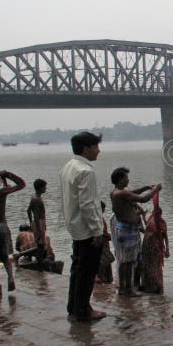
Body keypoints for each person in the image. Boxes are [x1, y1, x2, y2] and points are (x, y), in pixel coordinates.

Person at [60, 131, 106, 321]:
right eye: (95, 147)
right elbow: (88, 204)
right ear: (86, 148)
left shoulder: (69, 166)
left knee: (77, 269)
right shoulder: (85, 171)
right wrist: (97, 230)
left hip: (75, 227)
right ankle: (84, 310)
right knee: (87, 272)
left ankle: (74, 306)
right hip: (87, 230)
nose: (98, 151)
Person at [110, 167, 161, 297]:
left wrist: (146, 187)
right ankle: (127, 289)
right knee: (128, 261)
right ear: (120, 179)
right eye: (126, 177)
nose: (128, 179)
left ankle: (125, 288)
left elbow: (133, 192)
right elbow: (143, 199)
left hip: (125, 230)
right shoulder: (121, 194)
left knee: (126, 261)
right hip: (127, 231)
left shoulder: (116, 192)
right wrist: (155, 190)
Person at [140, 191, 169, 294]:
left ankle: (157, 286)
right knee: (147, 266)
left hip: (156, 247)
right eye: (155, 212)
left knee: (156, 266)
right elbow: (146, 227)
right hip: (147, 247)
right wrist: (143, 216)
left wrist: (167, 249)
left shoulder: (161, 222)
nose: (155, 214)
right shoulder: (150, 219)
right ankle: (149, 287)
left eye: (157, 212)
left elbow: (165, 236)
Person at [27, 178, 48, 260]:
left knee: (39, 243)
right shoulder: (37, 200)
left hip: (37, 222)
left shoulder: (34, 197)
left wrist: (30, 223)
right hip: (39, 222)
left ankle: (39, 261)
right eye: (45, 187)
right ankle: (39, 263)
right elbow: (36, 215)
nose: (46, 188)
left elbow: (28, 211)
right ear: (40, 188)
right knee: (40, 244)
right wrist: (39, 229)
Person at [96, 201, 115, 284]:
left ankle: (105, 280)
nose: (104, 211)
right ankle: (101, 279)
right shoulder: (97, 219)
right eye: (103, 209)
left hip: (104, 244)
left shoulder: (100, 218)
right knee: (102, 263)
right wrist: (111, 237)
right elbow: (100, 233)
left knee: (105, 263)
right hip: (101, 244)